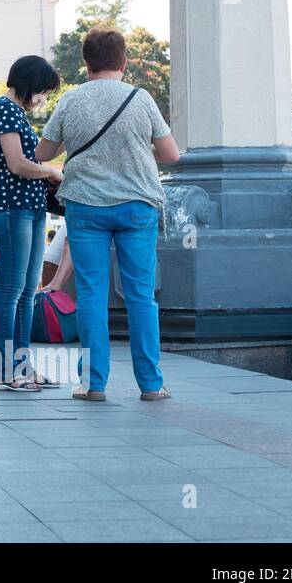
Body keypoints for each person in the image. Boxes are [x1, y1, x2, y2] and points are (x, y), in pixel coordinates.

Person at [37, 25, 179, 402]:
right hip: (137, 207)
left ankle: (93, 383)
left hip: (86, 208)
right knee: (140, 296)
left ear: (86, 63)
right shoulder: (141, 98)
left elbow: (43, 153)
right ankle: (151, 384)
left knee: (91, 294)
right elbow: (170, 155)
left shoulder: (71, 100)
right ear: (124, 61)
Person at [0, 56, 62, 392]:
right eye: (43, 91)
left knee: (28, 291)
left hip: (29, 208)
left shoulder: (16, 113)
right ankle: (5, 370)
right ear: (30, 84)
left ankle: (22, 365)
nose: (43, 98)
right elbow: (17, 163)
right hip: (13, 207)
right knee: (11, 289)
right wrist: (53, 172)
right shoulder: (4, 109)